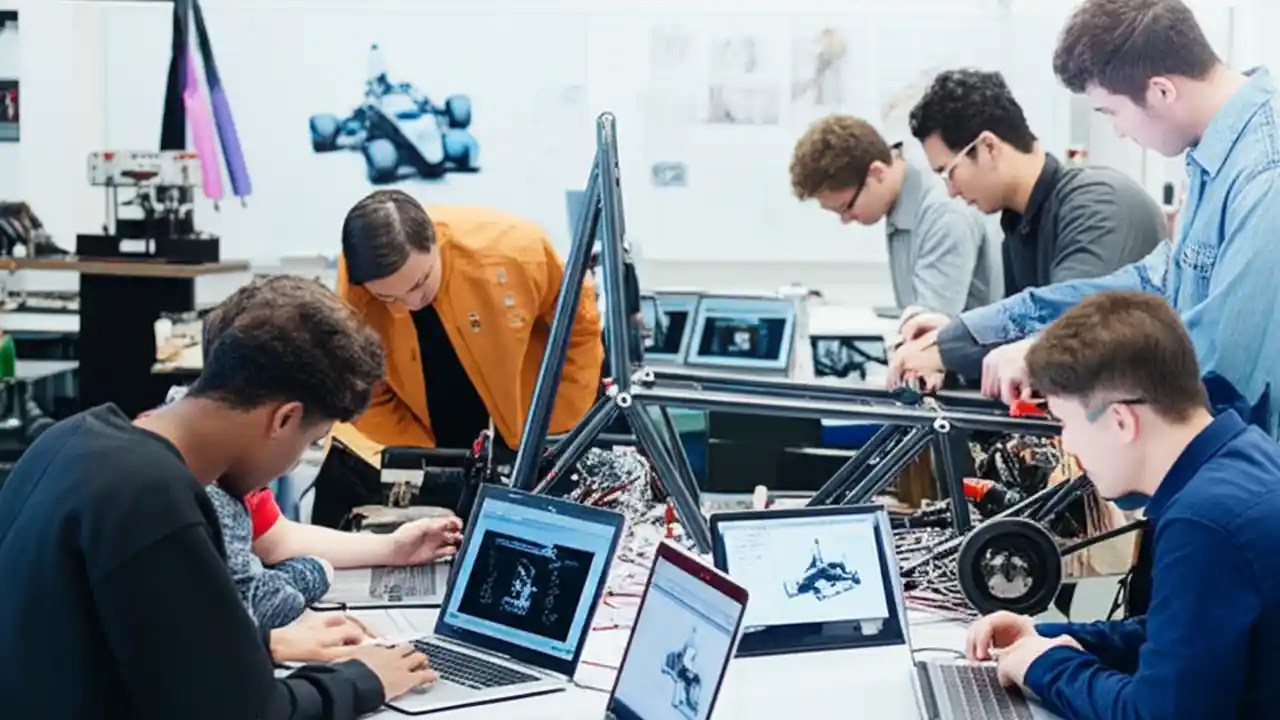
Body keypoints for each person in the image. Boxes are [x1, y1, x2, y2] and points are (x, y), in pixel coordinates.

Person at [0, 276, 437, 719]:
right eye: (313, 440)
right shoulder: (153, 501)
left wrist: (260, 646)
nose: (291, 464)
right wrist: (365, 677)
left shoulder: (69, 441)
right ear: (285, 419)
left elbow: (119, 646)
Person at [890, 0, 1280, 441]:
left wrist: (1048, 354)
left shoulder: (1265, 176)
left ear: (1160, 92)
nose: (1117, 132)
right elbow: (1152, 285)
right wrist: (974, 331)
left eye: (1111, 113)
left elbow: (1219, 357)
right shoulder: (1213, 160)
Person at [966, 291, 1280, 719]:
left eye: (1065, 423)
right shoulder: (1245, 456)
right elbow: (1188, 635)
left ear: (1120, 421)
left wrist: (1044, 666)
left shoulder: (1205, 522)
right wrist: (1054, 638)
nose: (1068, 445)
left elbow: (1156, 714)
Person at [896, 67, 1165, 384]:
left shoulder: (1100, 204)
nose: (951, 191)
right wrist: (954, 332)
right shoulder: (1018, 224)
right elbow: (1019, 344)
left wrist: (948, 346)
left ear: (988, 148)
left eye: (949, 172)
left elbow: (1065, 333)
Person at [338, 189, 604, 453]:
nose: (412, 302)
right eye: (388, 297)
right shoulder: (356, 285)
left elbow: (581, 332)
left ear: (434, 242)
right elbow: (360, 384)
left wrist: (552, 427)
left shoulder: (517, 252)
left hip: (527, 427)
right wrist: (416, 450)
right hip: (425, 431)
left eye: (420, 283)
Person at [789, 114, 1002, 325]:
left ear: (877, 173)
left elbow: (927, 334)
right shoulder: (898, 192)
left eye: (846, 207)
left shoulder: (943, 213)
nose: (846, 219)